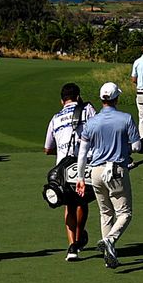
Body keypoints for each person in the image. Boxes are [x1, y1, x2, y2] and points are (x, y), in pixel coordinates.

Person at [74, 81, 140, 269]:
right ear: (116, 98)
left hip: (95, 172)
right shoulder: (125, 118)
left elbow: (83, 153)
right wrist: (127, 148)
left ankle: (108, 255)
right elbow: (136, 146)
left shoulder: (91, 122)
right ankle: (110, 240)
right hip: (116, 170)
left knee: (106, 213)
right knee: (125, 213)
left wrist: (80, 178)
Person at [43, 82, 95, 261]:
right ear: (78, 96)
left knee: (69, 205)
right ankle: (79, 240)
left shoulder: (55, 118)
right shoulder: (87, 110)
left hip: (62, 169)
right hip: (84, 165)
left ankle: (72, 246)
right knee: (82, 202)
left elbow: (48, 149)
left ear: (61, 100)